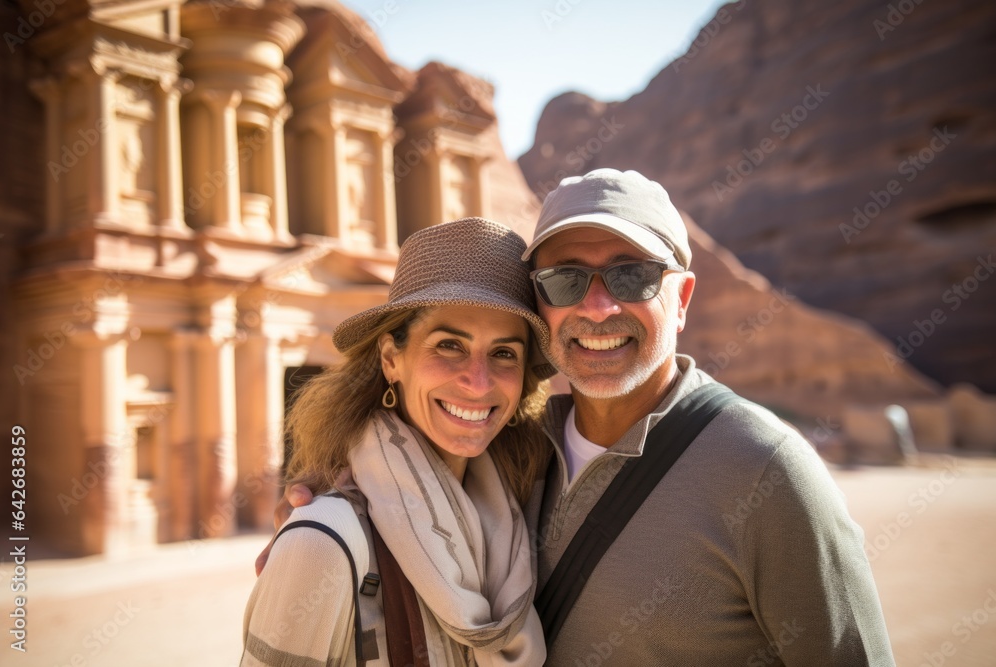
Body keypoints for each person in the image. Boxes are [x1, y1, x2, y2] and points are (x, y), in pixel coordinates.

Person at [264, 170, 896, 666]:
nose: (596, 307)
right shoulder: (511, 451)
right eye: (565, 280)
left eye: (632, 275)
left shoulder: (767, 471)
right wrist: (327, 514)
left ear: (682, 298)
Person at [241, 218, 552, 666]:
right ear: (391, 359)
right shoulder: (319, 543)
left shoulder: (521, 514)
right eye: (449, 345)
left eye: (504, 353)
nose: (479, 382)